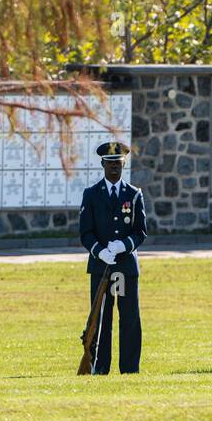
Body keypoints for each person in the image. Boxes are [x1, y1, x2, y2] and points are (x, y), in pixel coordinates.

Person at [78, 141, 148, 374]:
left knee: (129, 318)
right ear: (102, 164)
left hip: (126, 266)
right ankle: (100, 366)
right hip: (101, 267)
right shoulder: (91, 195)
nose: (114, 168)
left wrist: (123, 246)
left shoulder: (134, 194)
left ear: (124, 164)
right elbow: (85, 233)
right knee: (101, 318)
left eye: (118, 164)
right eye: (110, 164)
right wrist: (100, 251)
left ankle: (129, 368)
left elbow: (141, 231)